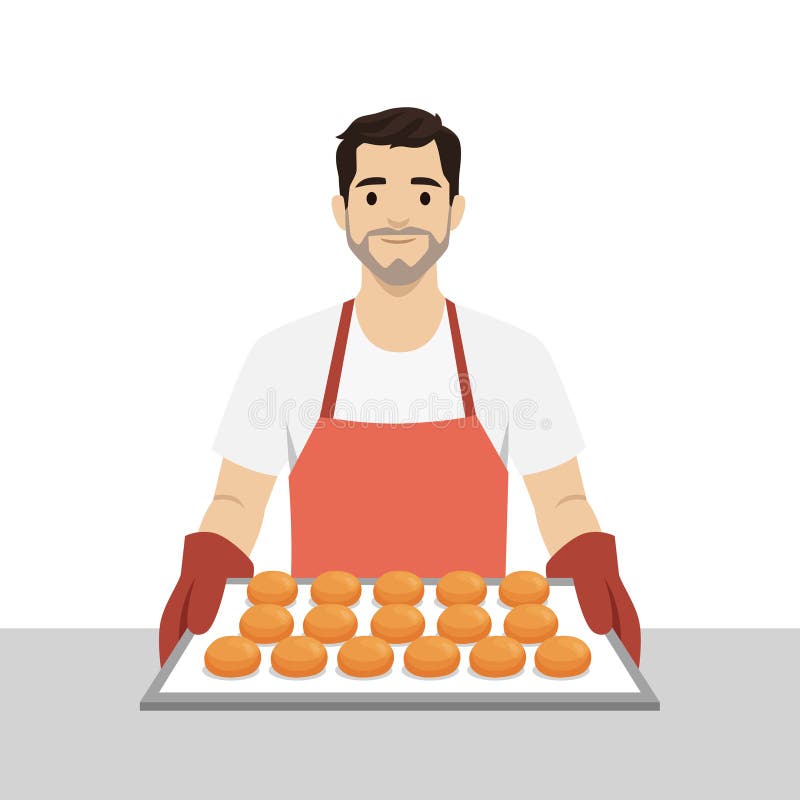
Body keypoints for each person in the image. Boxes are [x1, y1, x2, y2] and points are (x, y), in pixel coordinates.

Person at [158, 106, 641, 668]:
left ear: (454, 211)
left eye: (422, 193)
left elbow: (562, 499)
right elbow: (237, 500)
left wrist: (587, 556)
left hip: (473, 655)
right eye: (371, 195)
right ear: (341, 212)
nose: (396, 217)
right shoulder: (282, 359)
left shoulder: (515, 359)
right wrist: (211, 556)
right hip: (324, 655)